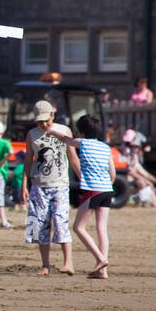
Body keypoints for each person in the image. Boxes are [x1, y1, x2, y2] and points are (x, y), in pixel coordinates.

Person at [45, 114, 113, 279]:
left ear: (81, 131)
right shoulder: (106, 147)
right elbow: (113, 173)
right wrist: (106, 183)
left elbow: (66, 139)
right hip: (107, 190)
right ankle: (102, 272)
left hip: (92, 190)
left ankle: (101, 259)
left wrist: (52, 132)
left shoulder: (83, 143)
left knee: (78, 227)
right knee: (101, 229)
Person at [20, 100, 80, 276]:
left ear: (52, 115)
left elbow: (73, 158)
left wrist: (84, 180)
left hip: (60, 185)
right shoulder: (32, 134)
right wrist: (24, 184)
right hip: (38, 186)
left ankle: (68, 263)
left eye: (46, 120)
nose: (44, 124)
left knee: (61, 223)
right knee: (40, 226)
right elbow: (28, 161)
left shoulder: (64, 131)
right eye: (40, 121)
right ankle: (45, 265)